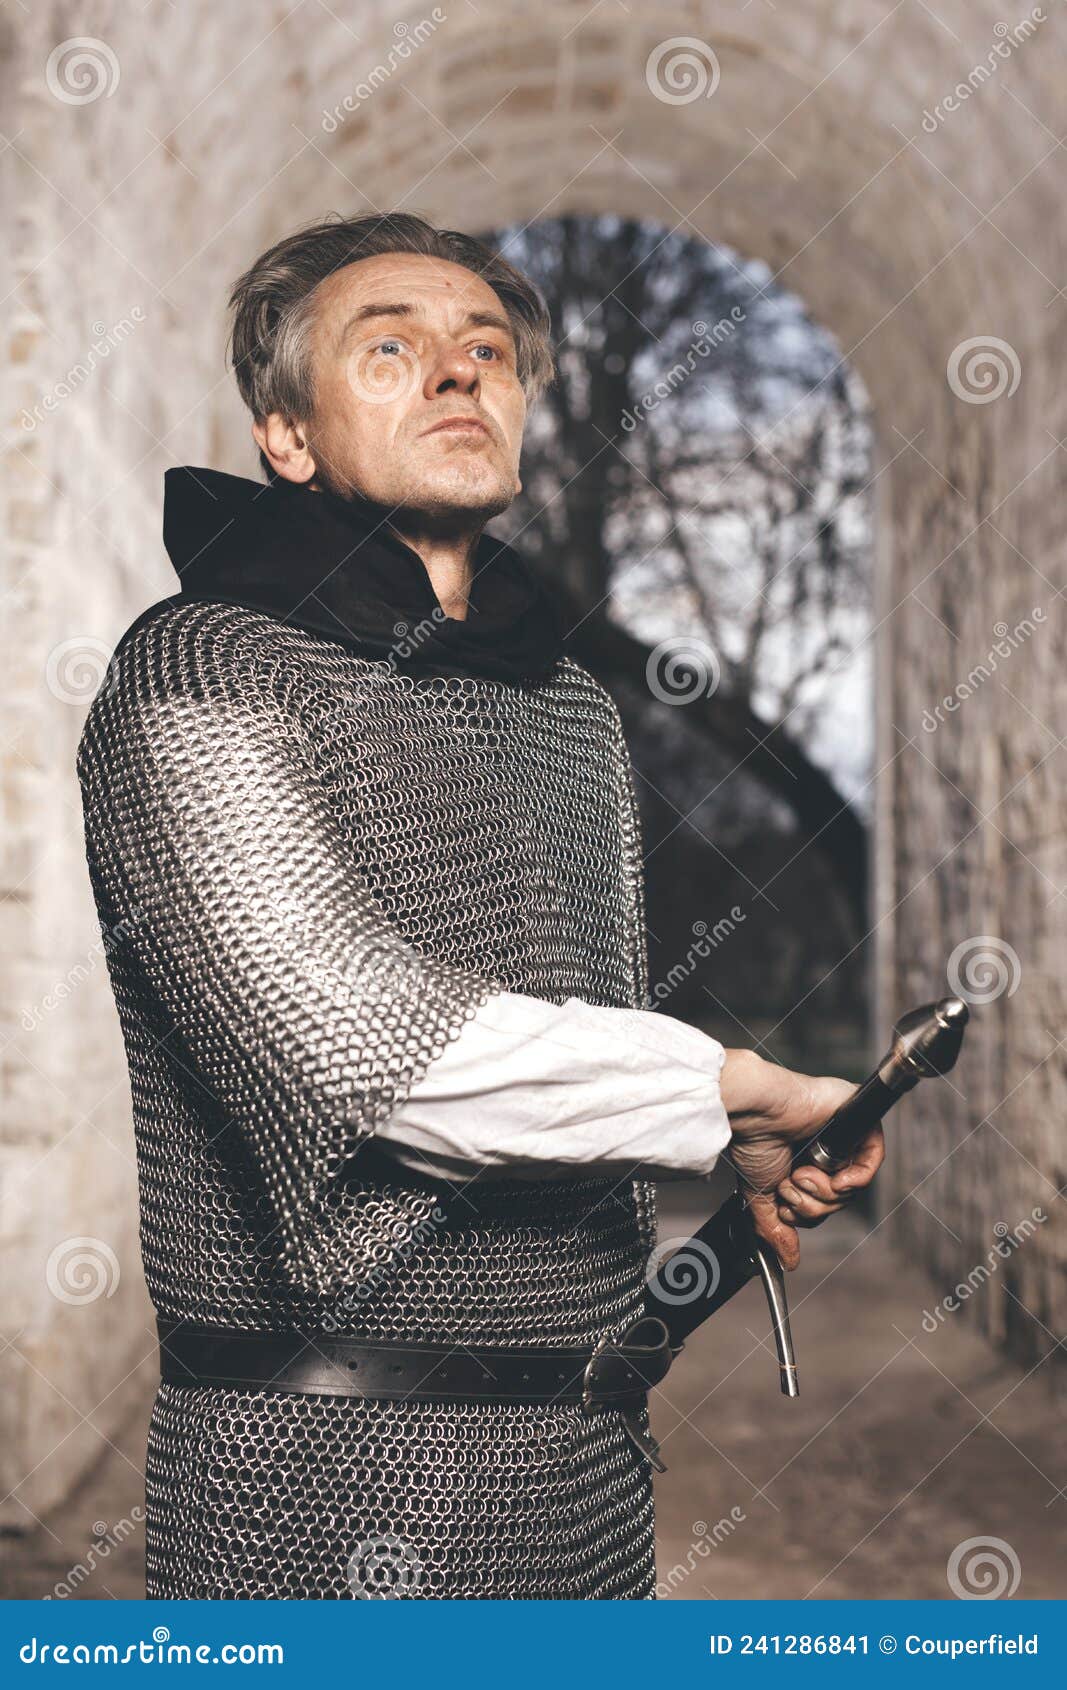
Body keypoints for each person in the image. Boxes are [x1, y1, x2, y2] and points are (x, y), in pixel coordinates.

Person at [76, 212, 883, 1600]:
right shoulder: (197, 676)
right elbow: (374, 1057)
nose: (458, 374)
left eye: (487, 350)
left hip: (576, 1480)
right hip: (315, 1485)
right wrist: (728, 1086)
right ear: (287, 433)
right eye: (389, 348)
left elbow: (567, 1083)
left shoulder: (565, 711)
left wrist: (713, 1170)